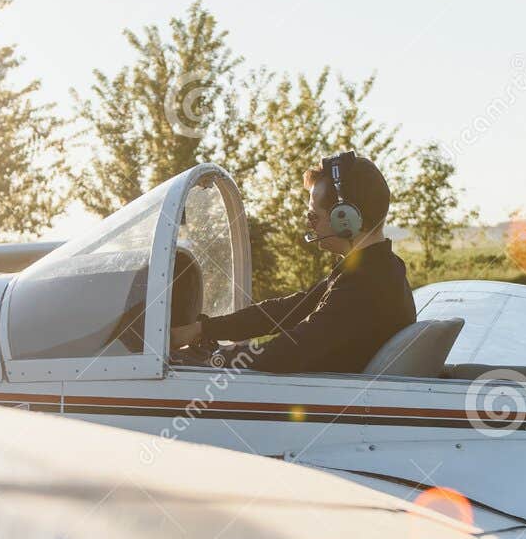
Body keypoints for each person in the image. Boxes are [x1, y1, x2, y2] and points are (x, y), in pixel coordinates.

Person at [169, 151, 416, 374]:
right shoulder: (375, 270)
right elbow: (286, 310)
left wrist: (213, 359)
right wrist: (203, 329)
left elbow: (290, 352)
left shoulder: (365, 283)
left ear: (345, 219)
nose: (309, 223)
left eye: (313, 215)